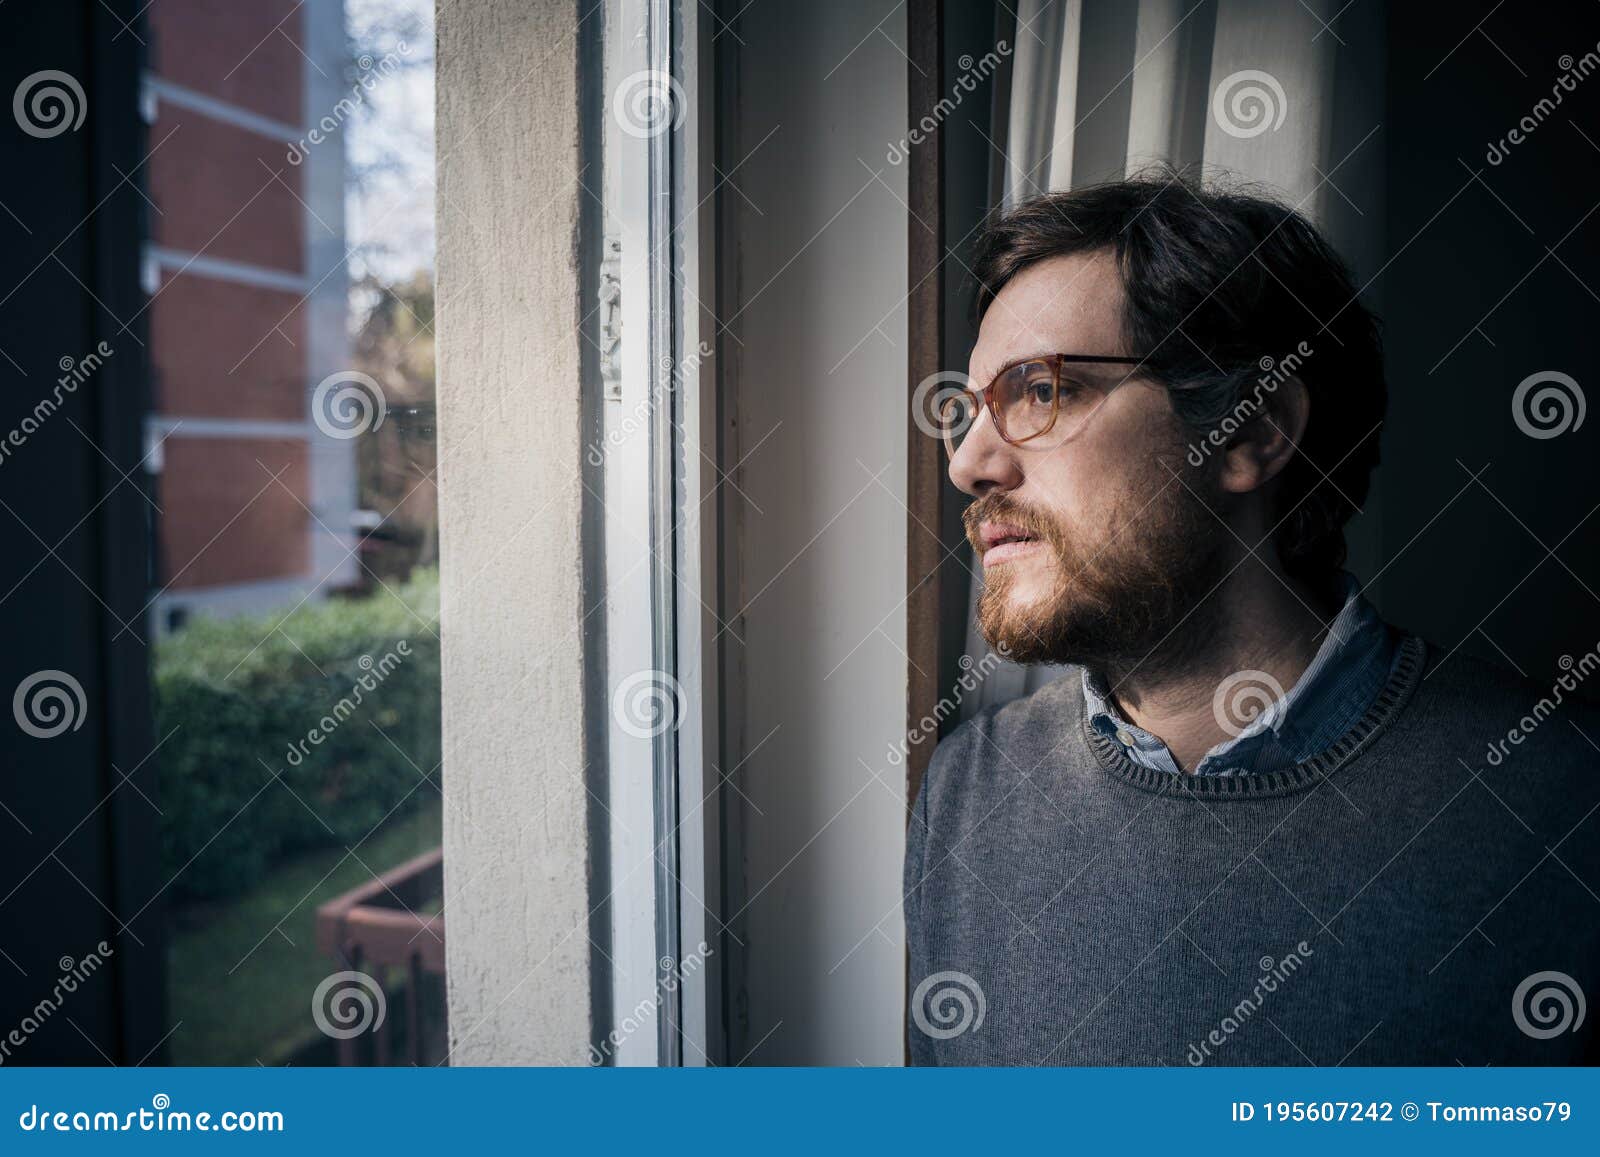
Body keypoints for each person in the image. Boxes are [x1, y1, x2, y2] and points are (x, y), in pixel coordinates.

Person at [904, 173, 1600, 1066]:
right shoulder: (967, 794)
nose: (967, 463)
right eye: (967, 411)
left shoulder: (1560, 802)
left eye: (1038, 391)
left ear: (1250, 431)